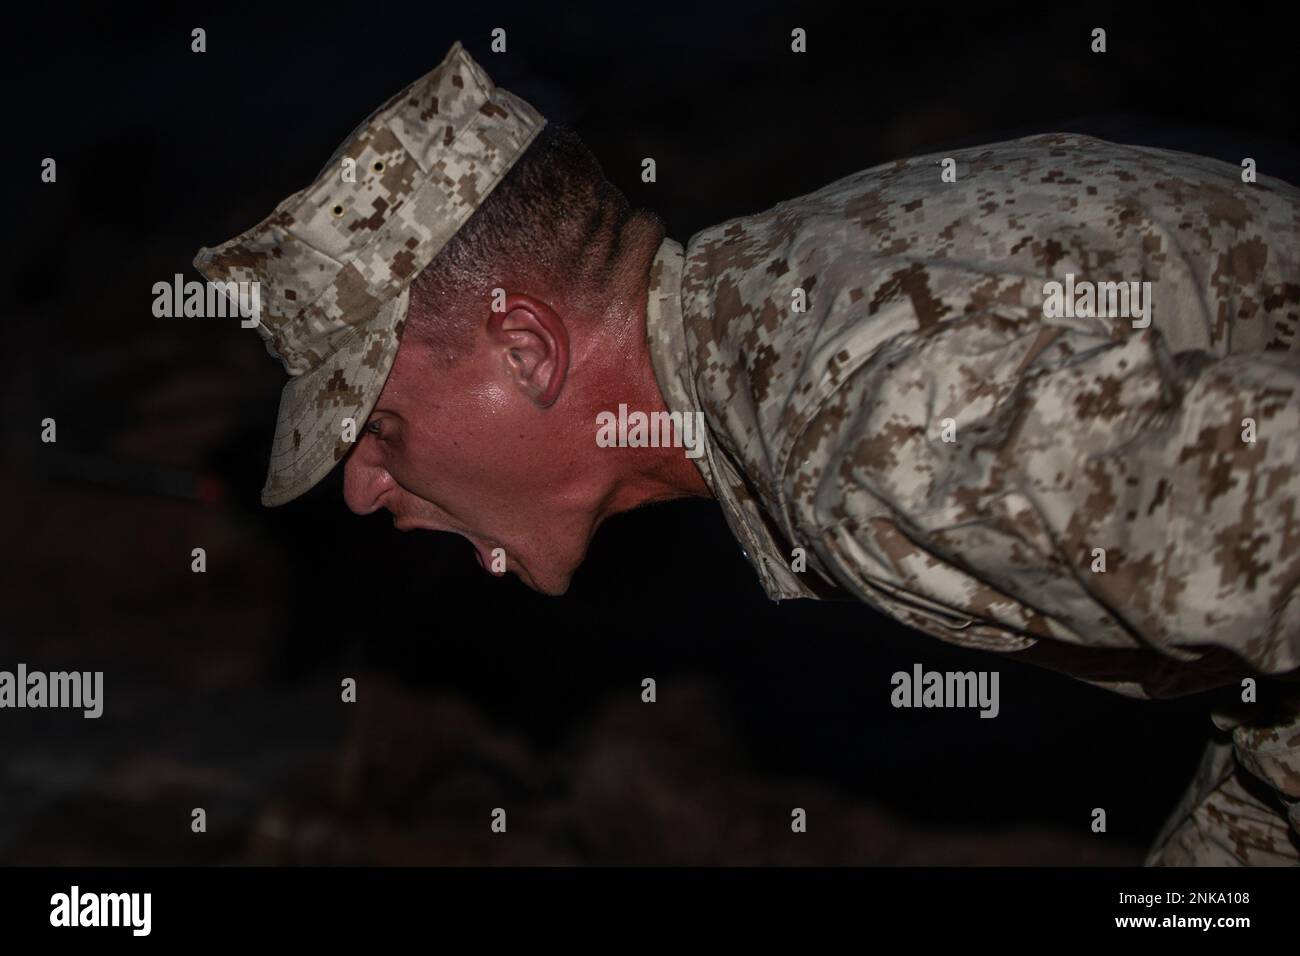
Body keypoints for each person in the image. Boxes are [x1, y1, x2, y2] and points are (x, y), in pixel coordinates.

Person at [195, 41, 1300, 865]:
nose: (362, 485)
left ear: (525, 350)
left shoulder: (871, 429)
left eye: (376, 425)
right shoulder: (788, 304)